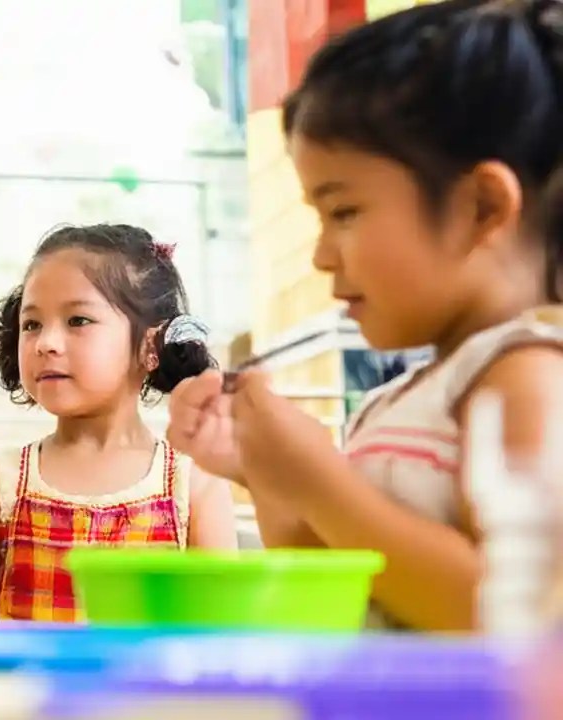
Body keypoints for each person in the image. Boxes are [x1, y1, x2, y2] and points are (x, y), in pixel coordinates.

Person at [167, 0, 563, 632]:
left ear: (481, 207)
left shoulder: (528, 376)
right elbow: (340, 593)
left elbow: (519, 617)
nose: (322, 255)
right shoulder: (399, 400)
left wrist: (320, 484)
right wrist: (269, 476)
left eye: (344, 211)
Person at [0, 224, 238, 621]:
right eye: (32, 324)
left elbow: (220, 631)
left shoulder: (194, 486)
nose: (45, 342)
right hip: (20, 686)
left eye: (78, 320)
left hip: (139, 687)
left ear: (150, 346)